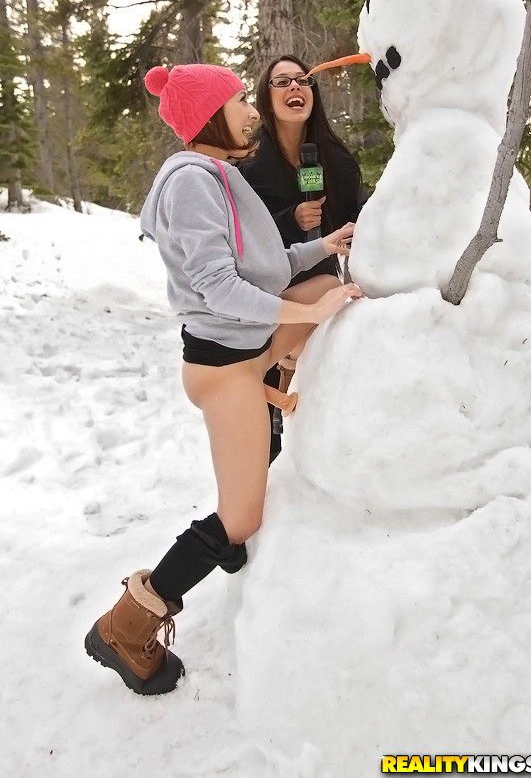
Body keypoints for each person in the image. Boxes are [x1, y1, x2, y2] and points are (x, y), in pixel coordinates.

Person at [84, 63, 361, 696]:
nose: (252, 108)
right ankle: (128, 624)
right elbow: (219, 286)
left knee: (329, 285)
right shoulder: (190, 181)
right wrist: (308, 312)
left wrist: (326, 246)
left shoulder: (218, 176)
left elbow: (266, 269)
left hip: (246, 351)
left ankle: (269, 417)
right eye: (239, 98)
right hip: (224, 368)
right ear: (208, 114)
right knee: (241, 514)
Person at [238, 54, 365, 460]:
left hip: (320, 298)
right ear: (266, 97)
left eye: (302, 80)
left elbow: (360, 215)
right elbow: (239, 237)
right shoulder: (249, 163)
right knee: (262, 440)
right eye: (282, 82)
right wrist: (290, 221)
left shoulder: (335, 159)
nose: (295, 87)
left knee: (312, 413)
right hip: (268, 299)